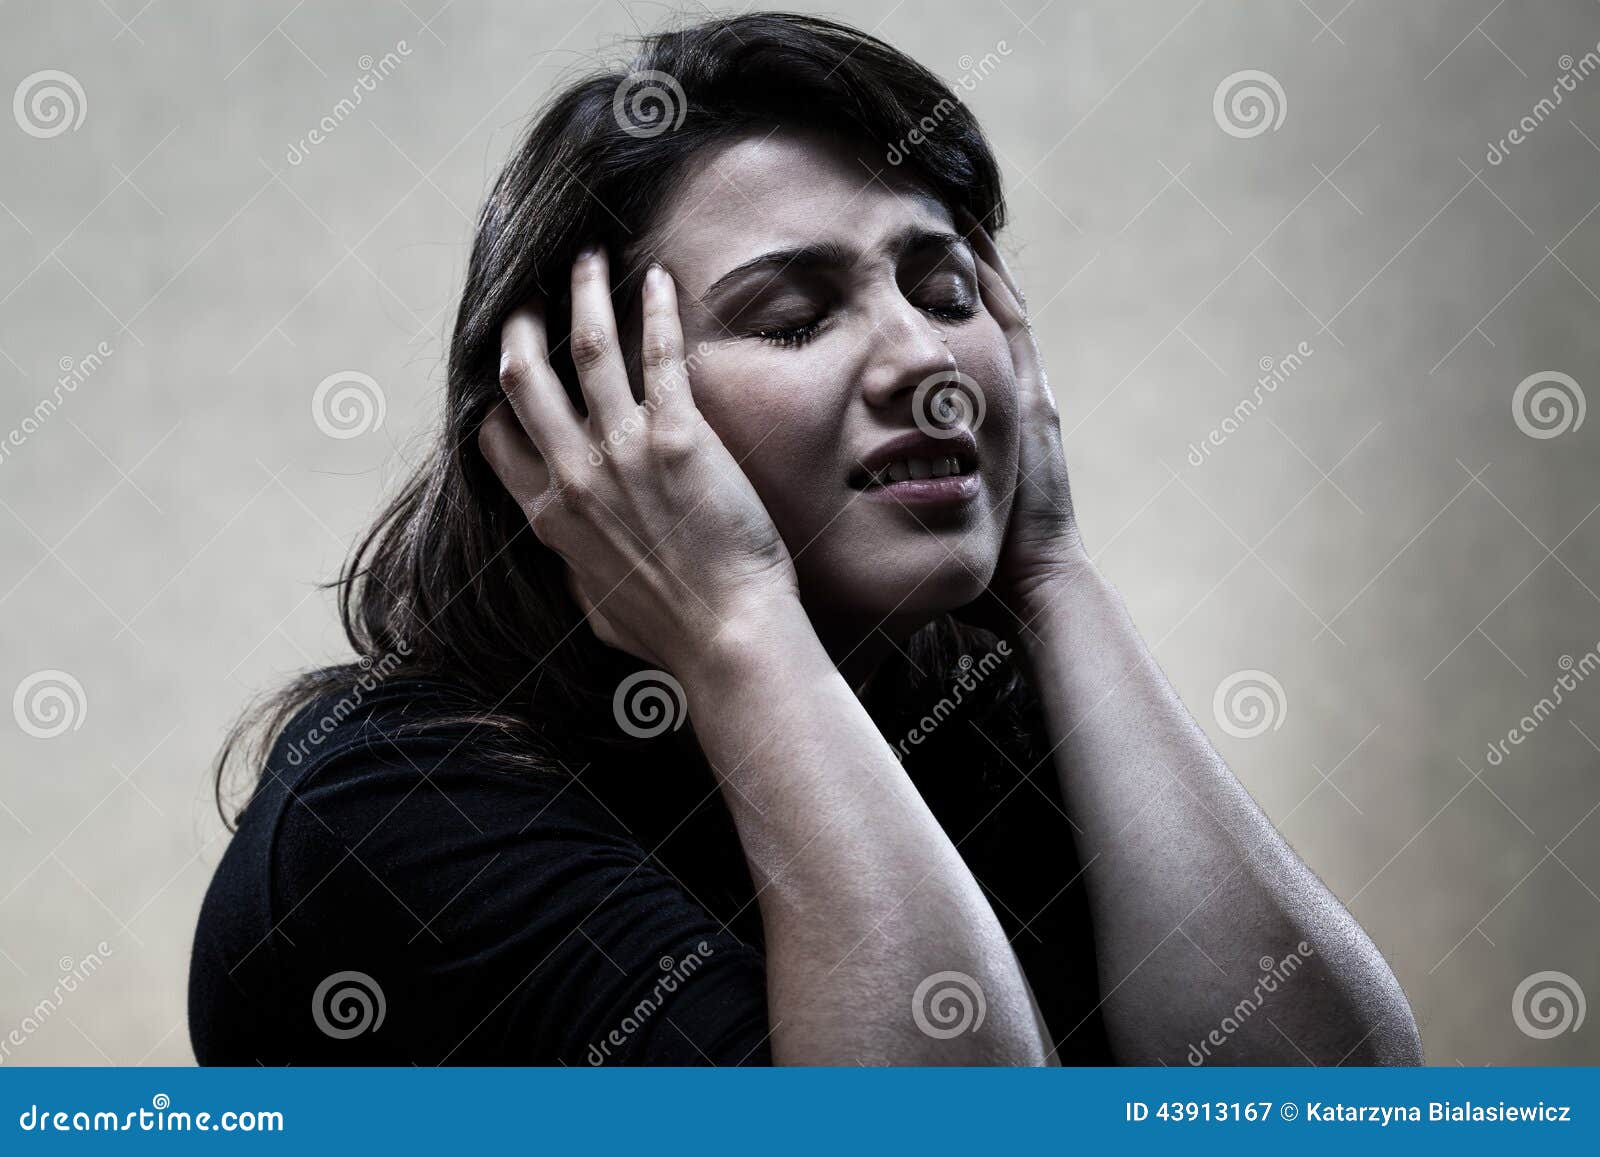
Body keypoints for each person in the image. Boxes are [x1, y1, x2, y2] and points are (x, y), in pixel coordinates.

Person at [189, 12, 1423, 1067]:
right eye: (792, 316)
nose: (927, 362)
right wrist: (734, 618)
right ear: (583, 412)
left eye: (944, 293)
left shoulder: (967, 717)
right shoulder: (393, 820)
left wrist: (1051, 568)